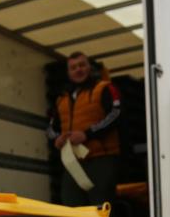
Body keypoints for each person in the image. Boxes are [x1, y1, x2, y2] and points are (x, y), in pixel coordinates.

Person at [48, 52, 123, 206]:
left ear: (90, 67)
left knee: (102, 211)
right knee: (72, 210)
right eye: (73, 67)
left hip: (101, 158)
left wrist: (87, 134)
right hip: (72, 162)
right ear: (68, 73)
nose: (78, 70)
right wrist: (57, 138)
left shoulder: (105, 88)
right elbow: (51, 127)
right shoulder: (61, 98)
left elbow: (116, 114)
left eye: (82, 65)